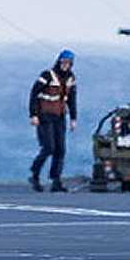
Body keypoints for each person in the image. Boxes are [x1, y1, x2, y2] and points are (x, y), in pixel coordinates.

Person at [28, 49, 78, 192]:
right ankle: (35, 174)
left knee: (60, 149)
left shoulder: (70, 78)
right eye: (63, 62)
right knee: (49, 148)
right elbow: (34, 94)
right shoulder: (47, 75)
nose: (65, 65)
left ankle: (56, 180)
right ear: (59, 61)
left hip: (60, 116)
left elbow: (72, 99)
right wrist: (33, 115)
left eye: (68, 63)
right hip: (45, 116)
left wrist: (73, 118)